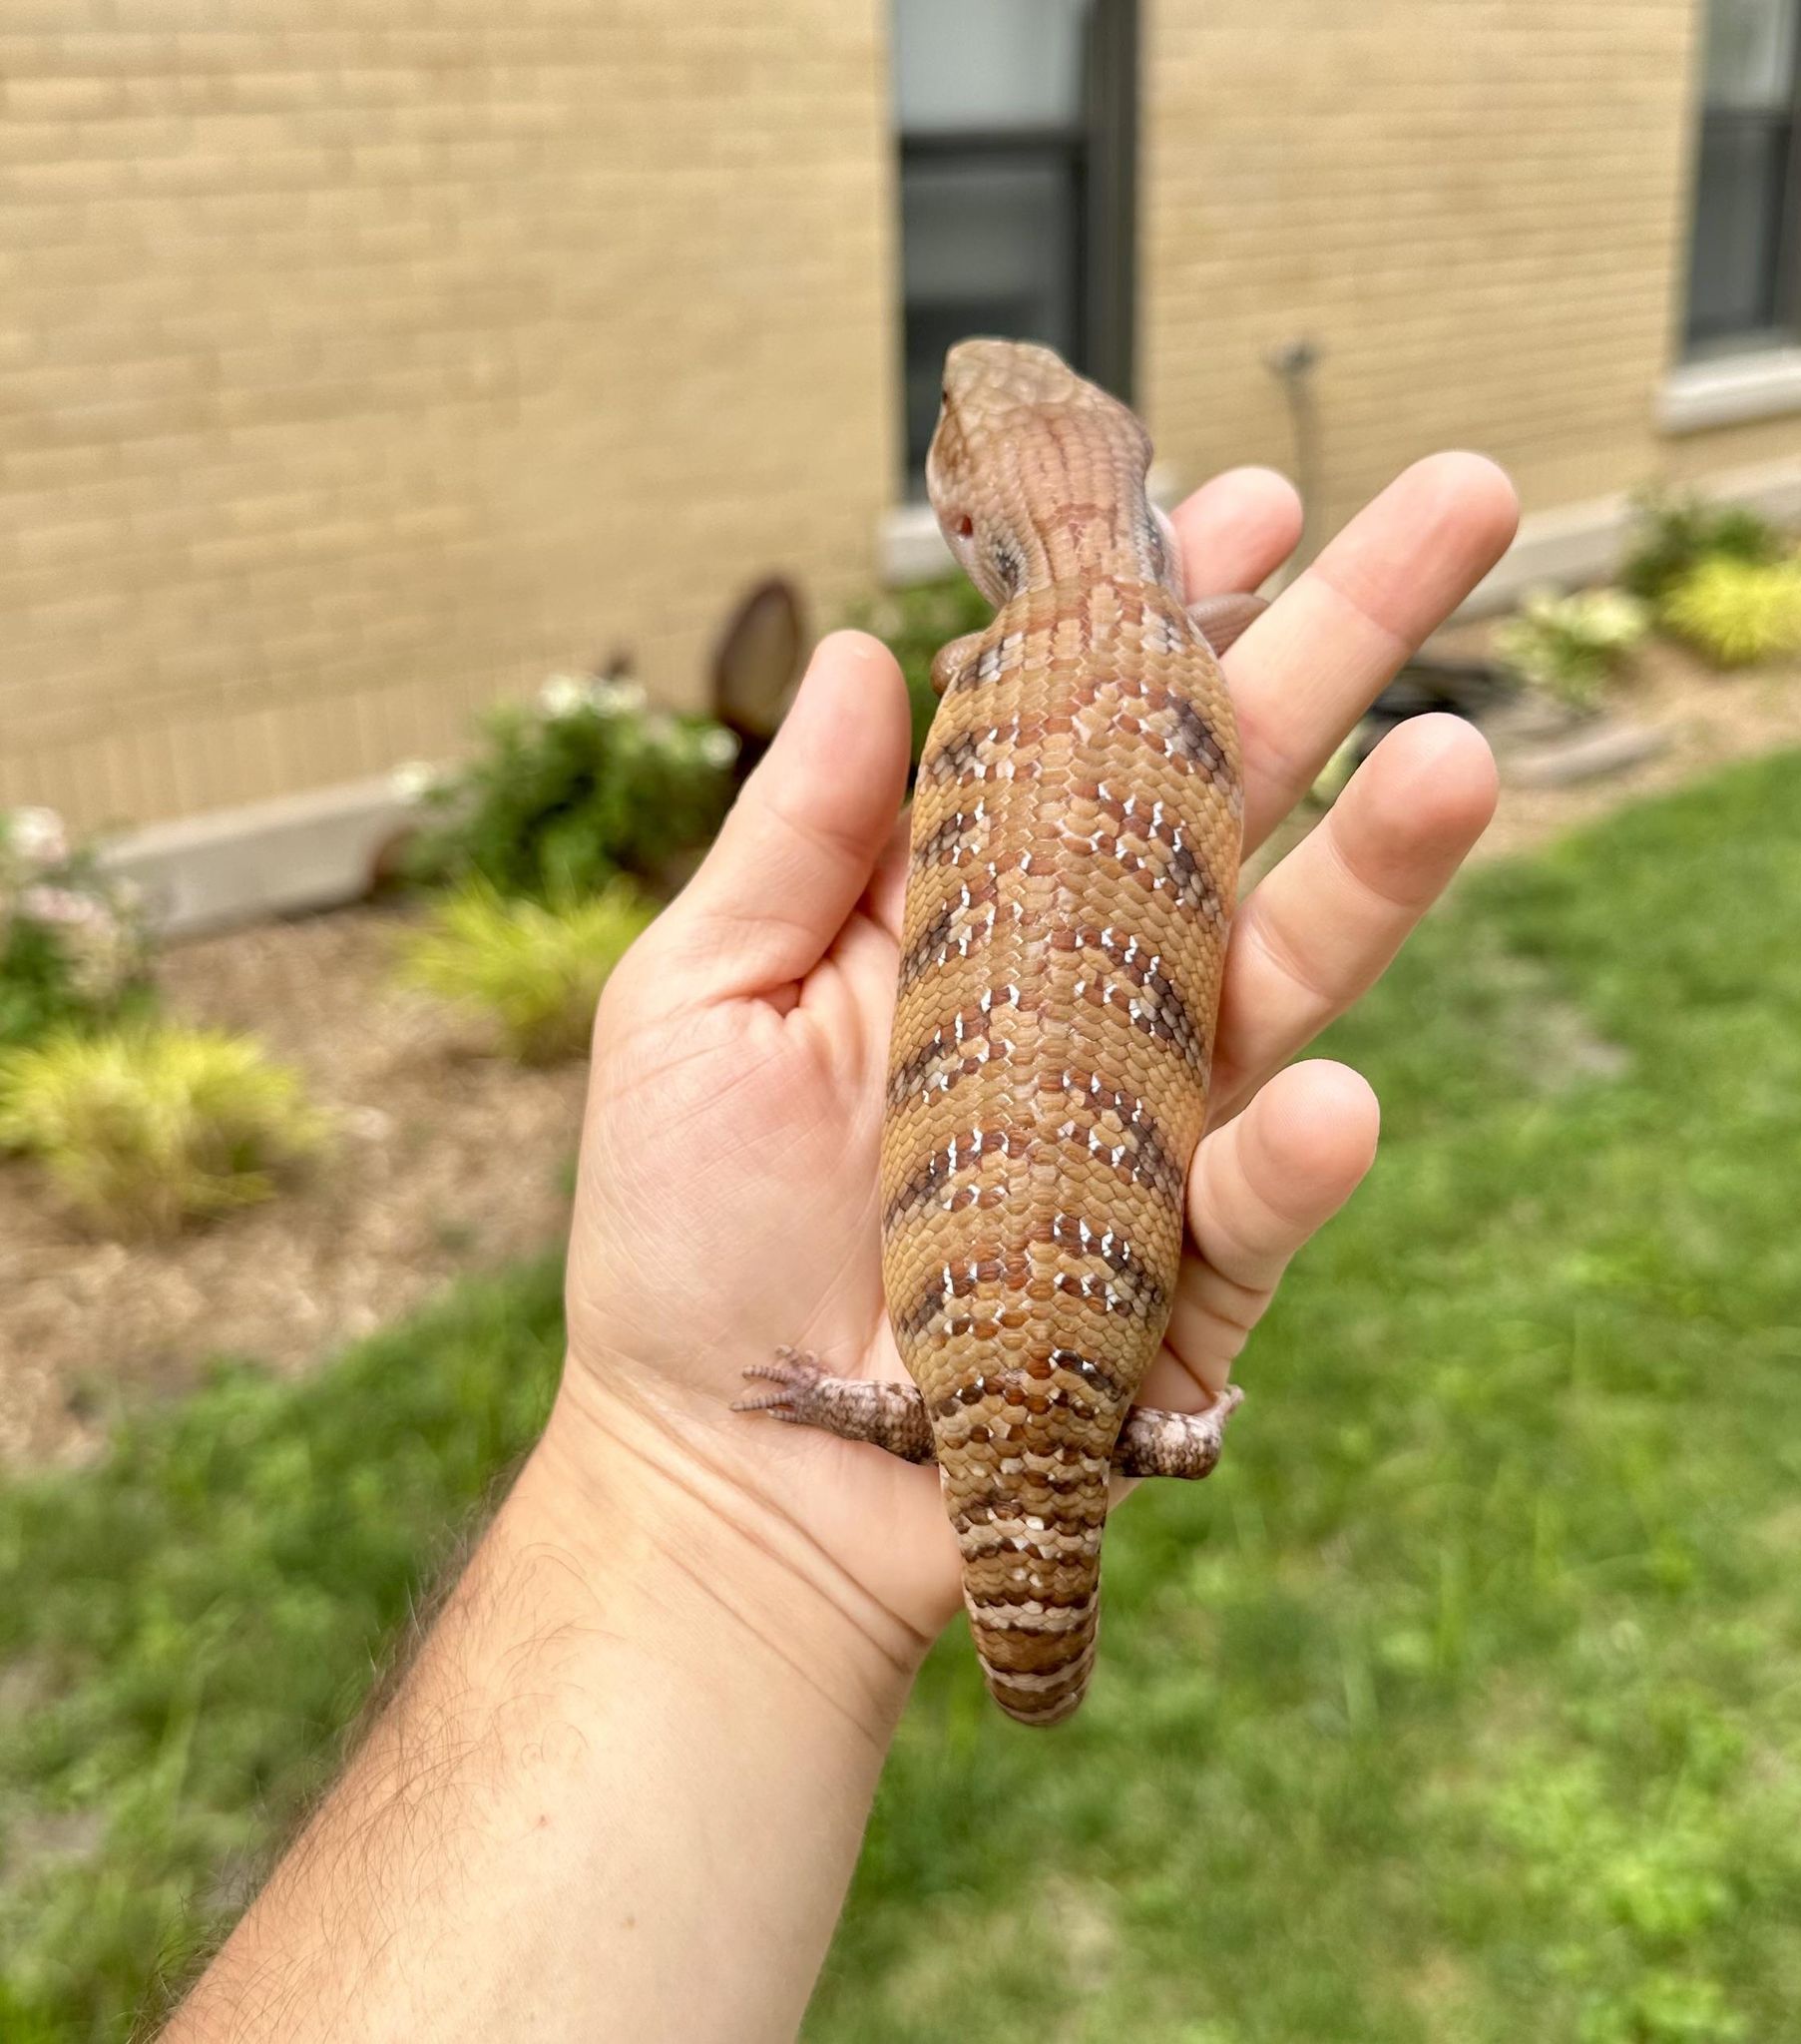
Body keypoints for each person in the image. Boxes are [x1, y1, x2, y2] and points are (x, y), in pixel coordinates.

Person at [164, 454, 1517, 2042]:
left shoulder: (991, 668)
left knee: (1055, 1453)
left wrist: (775, 1437)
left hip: (1005, 1325)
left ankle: (1091, 1461)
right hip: (1038, 1313)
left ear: (969, 519)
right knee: (1070, 1445)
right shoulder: (1111, 651)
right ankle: (1094, 1463)